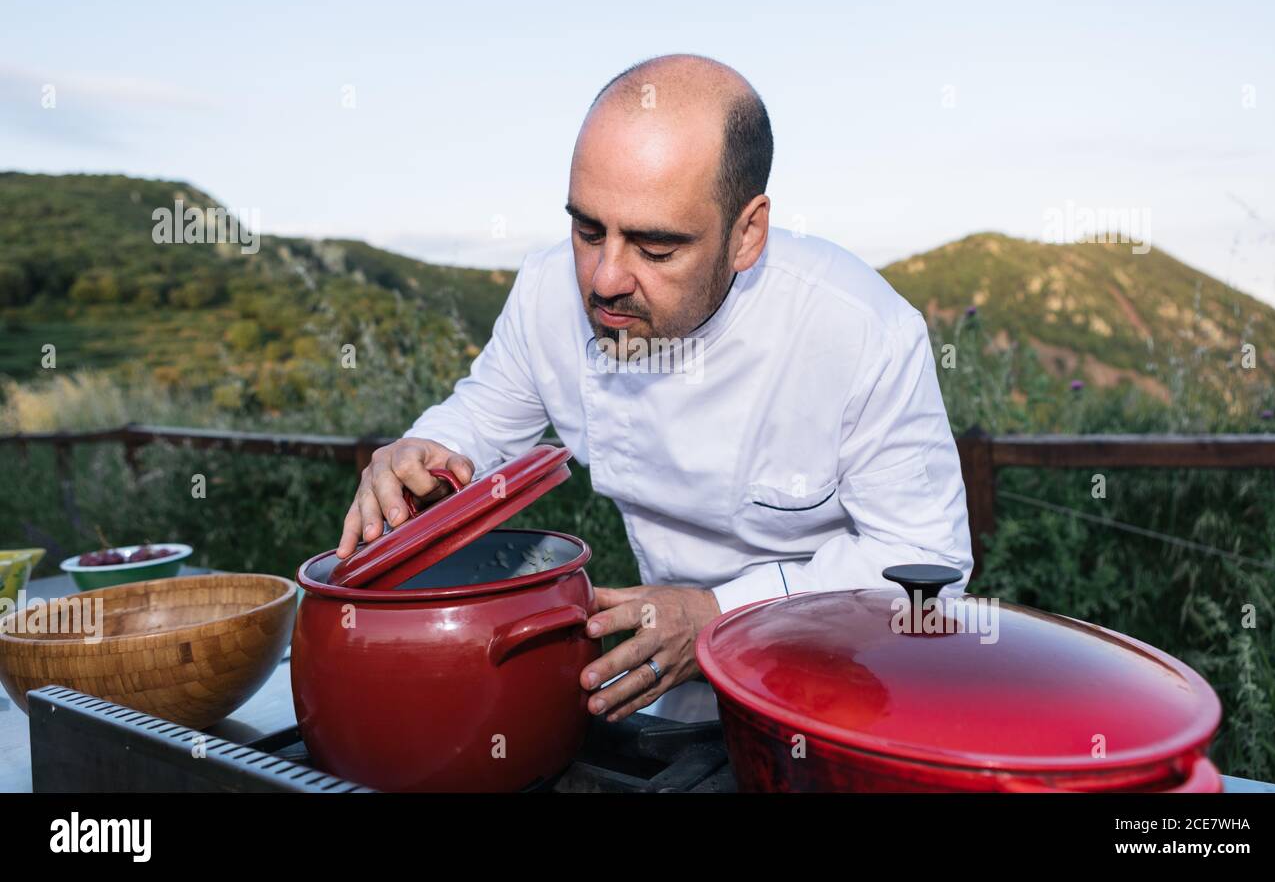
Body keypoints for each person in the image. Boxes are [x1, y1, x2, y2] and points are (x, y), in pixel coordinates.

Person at [337, 53, 972, 724]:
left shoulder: (860, 330)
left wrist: (718, 617)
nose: (605, 278)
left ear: (746, 232)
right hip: (666, 686)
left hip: (840, 681)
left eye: (656, 248)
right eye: (588, 229)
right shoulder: (548, 294)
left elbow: (925, 567)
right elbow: (482, 420)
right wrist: (425, 450)